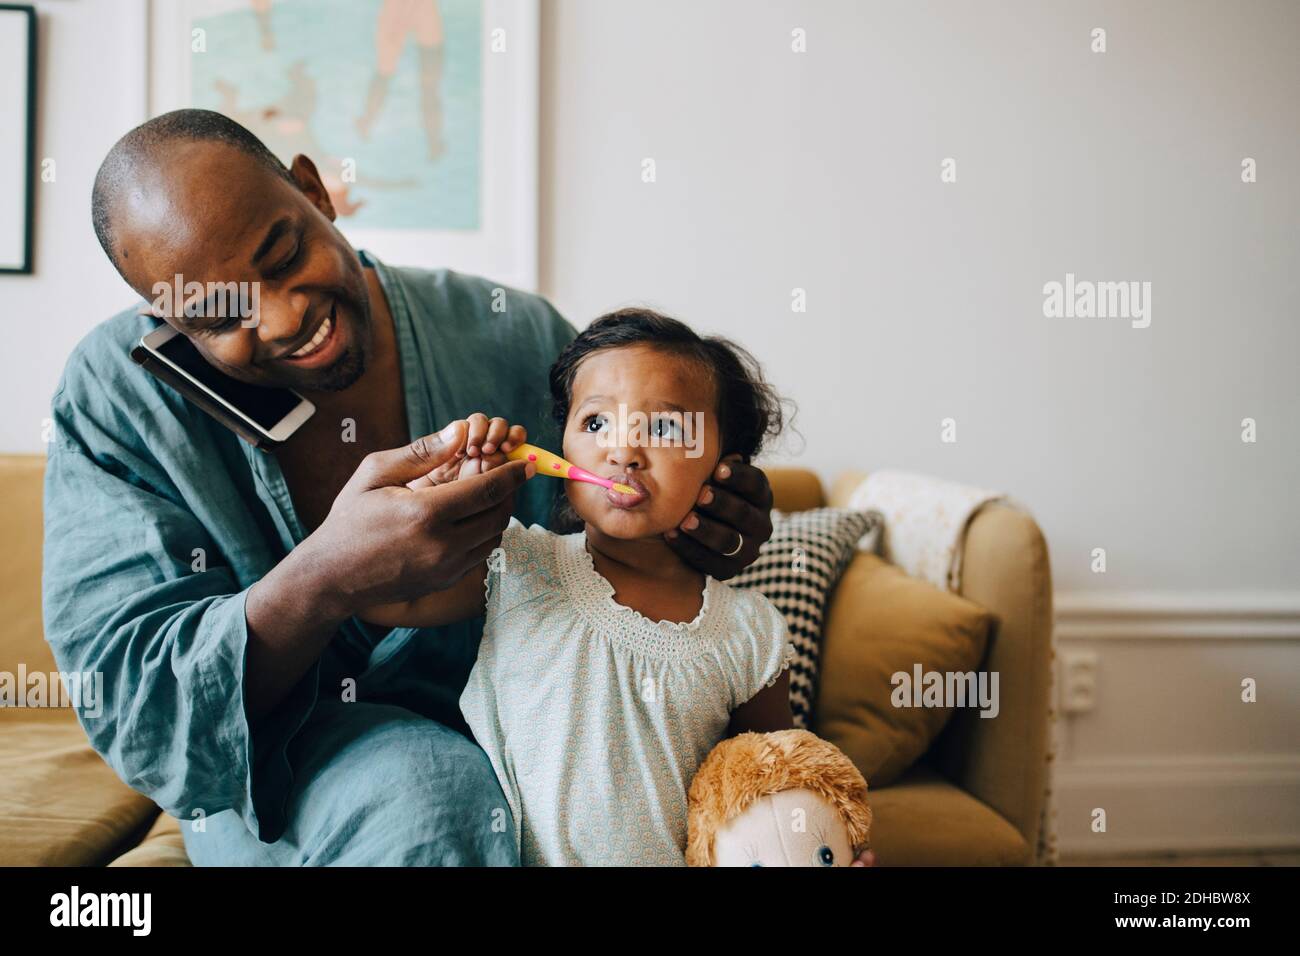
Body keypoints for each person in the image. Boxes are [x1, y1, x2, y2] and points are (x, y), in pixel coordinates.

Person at [41, 109, 776, 865]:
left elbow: (626, 514)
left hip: (548, 752)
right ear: (165, 317)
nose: (287, 316)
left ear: (313, 190)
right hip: (292, 779)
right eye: (216, 313)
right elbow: (138, 707)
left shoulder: (513, 335)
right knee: (430, 798)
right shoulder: (116, 400)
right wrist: (327, 577)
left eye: (285, 253)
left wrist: (704, 525)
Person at [362, 309, 798, 865]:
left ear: (725, 468)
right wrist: (437, 494)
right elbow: (381, 597)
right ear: (563, 444)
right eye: (596, 424)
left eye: (665, 428)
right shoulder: (517, 563)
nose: (623, 452)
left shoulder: (749, 632)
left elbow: (775, 786)